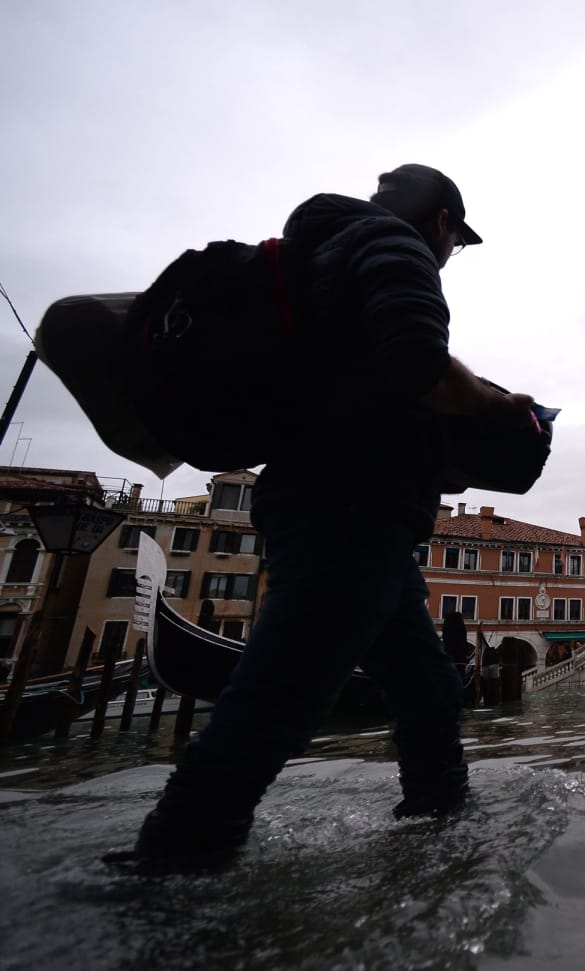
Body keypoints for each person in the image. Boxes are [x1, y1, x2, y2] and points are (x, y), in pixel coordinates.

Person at [114, 164, 538, 873]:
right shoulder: (394, 248)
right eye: (454, 242)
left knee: (427, 688)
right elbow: (419, 367)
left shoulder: (322, 254)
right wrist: (502, 408)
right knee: (282, 693)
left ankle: (438, 825)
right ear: (440, 224)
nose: (447, 255)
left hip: (349, 505)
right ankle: (172, 862)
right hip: (353, 506)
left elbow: (364, 384)